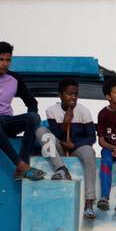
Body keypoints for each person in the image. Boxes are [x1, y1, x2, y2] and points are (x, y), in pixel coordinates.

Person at [41, 79, 95, 208]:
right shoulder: (51, 111)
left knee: (89, 151)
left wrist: (74, 146)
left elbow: (92, 138)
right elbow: (57, 136)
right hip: (60, 147)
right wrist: (65, 122)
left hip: (77, 147)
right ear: (60, 95)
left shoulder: (84, 111)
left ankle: (89, 201)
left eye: (76, 94)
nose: (73, 97)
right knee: (41, 131)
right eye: (69, 94)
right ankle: (61, 169)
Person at [0, 42, 44, 183]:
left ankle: (21, 167)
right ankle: (22, 166)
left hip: (7, 122)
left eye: (8, 60)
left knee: (33, 117)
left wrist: (32, 126)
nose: (5, 64)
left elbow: (32, 103)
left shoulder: (14, 79)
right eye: (1, 60)